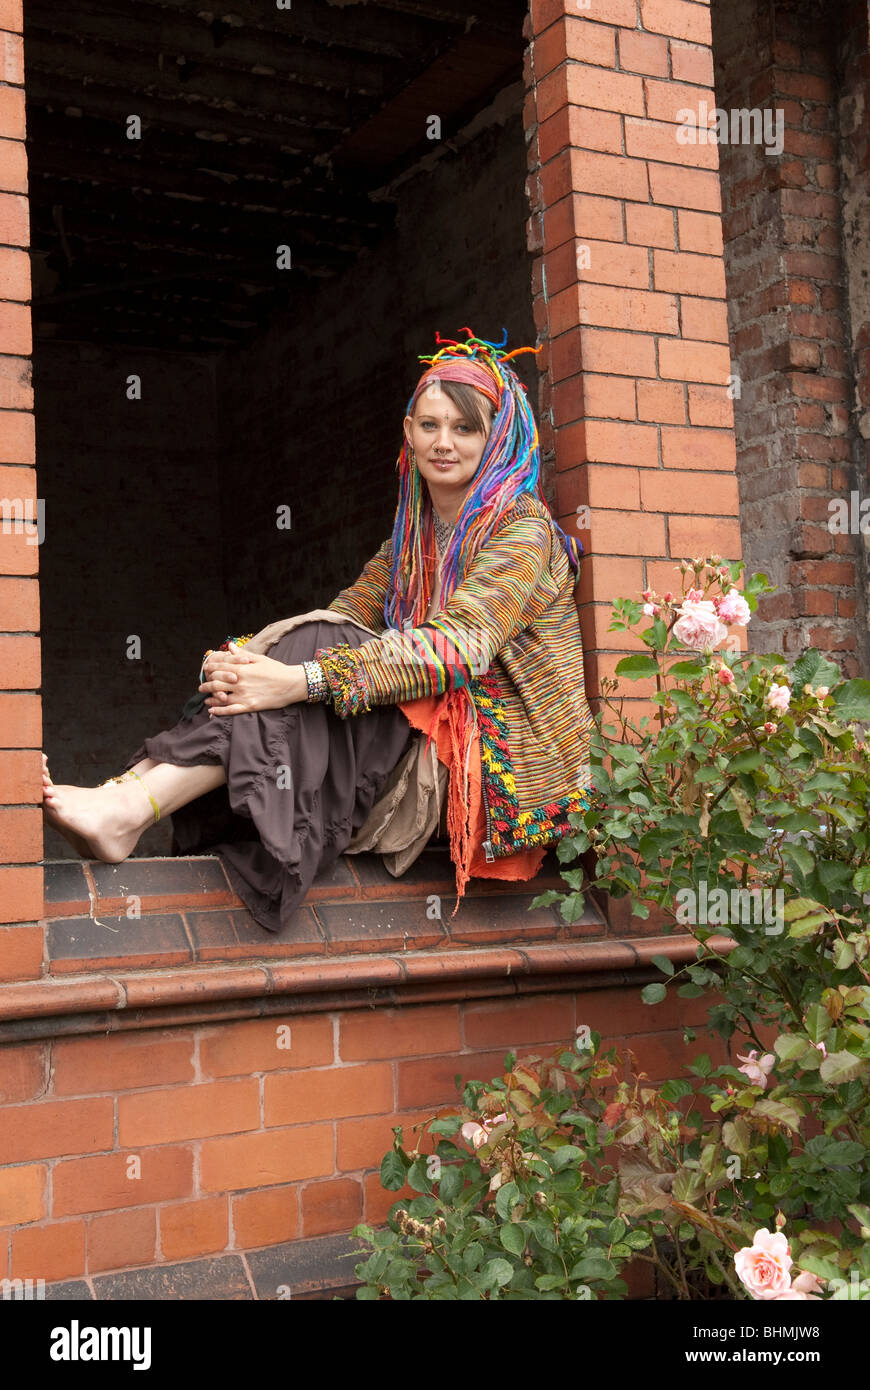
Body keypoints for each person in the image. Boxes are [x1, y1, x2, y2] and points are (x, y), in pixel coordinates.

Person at [42, 330, 599, 933]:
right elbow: (340, 621)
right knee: (310, 646)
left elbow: (457, 648)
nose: (444, 443)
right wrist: (246, 659)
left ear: (495, 440)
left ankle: (128, 805)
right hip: (416, 731)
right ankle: (124, 802)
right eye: (429, 426)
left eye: (465, 429)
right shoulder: (411, 537)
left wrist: (299, 680)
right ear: (408, 434)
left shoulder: (523, 531)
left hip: (496, 766)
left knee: (310, 665)